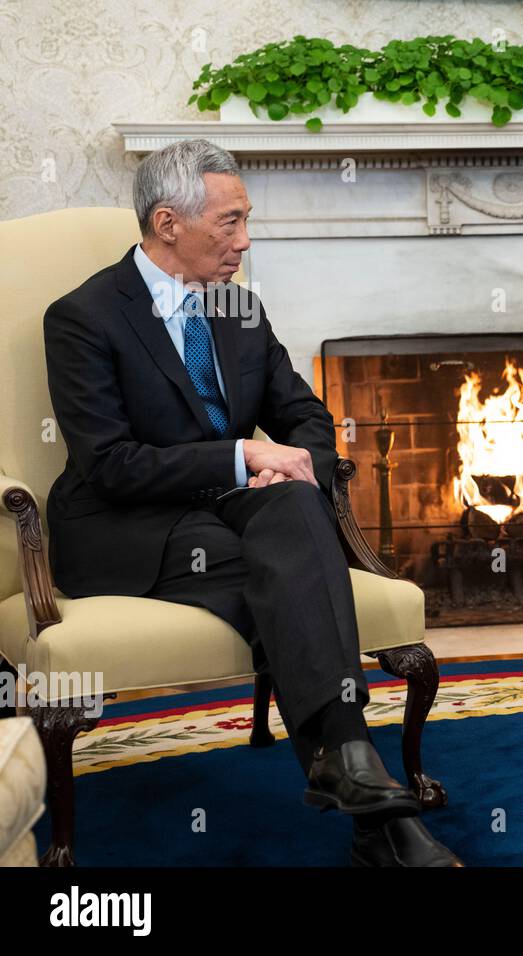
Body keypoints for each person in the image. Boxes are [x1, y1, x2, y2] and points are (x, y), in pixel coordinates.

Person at [43, 138, 460, 867]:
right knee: (293, 566)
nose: (245, 240)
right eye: (229, 223)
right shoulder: (82, 317)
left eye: (247, 221)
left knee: (296, 514)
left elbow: (309, 421)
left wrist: (288, 469)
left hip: (233, 510)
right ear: (168, 223)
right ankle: (372, 804)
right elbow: (109, 466)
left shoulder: (238, 309)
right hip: (125, 524)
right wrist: (243, 454)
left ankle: (352, 772)